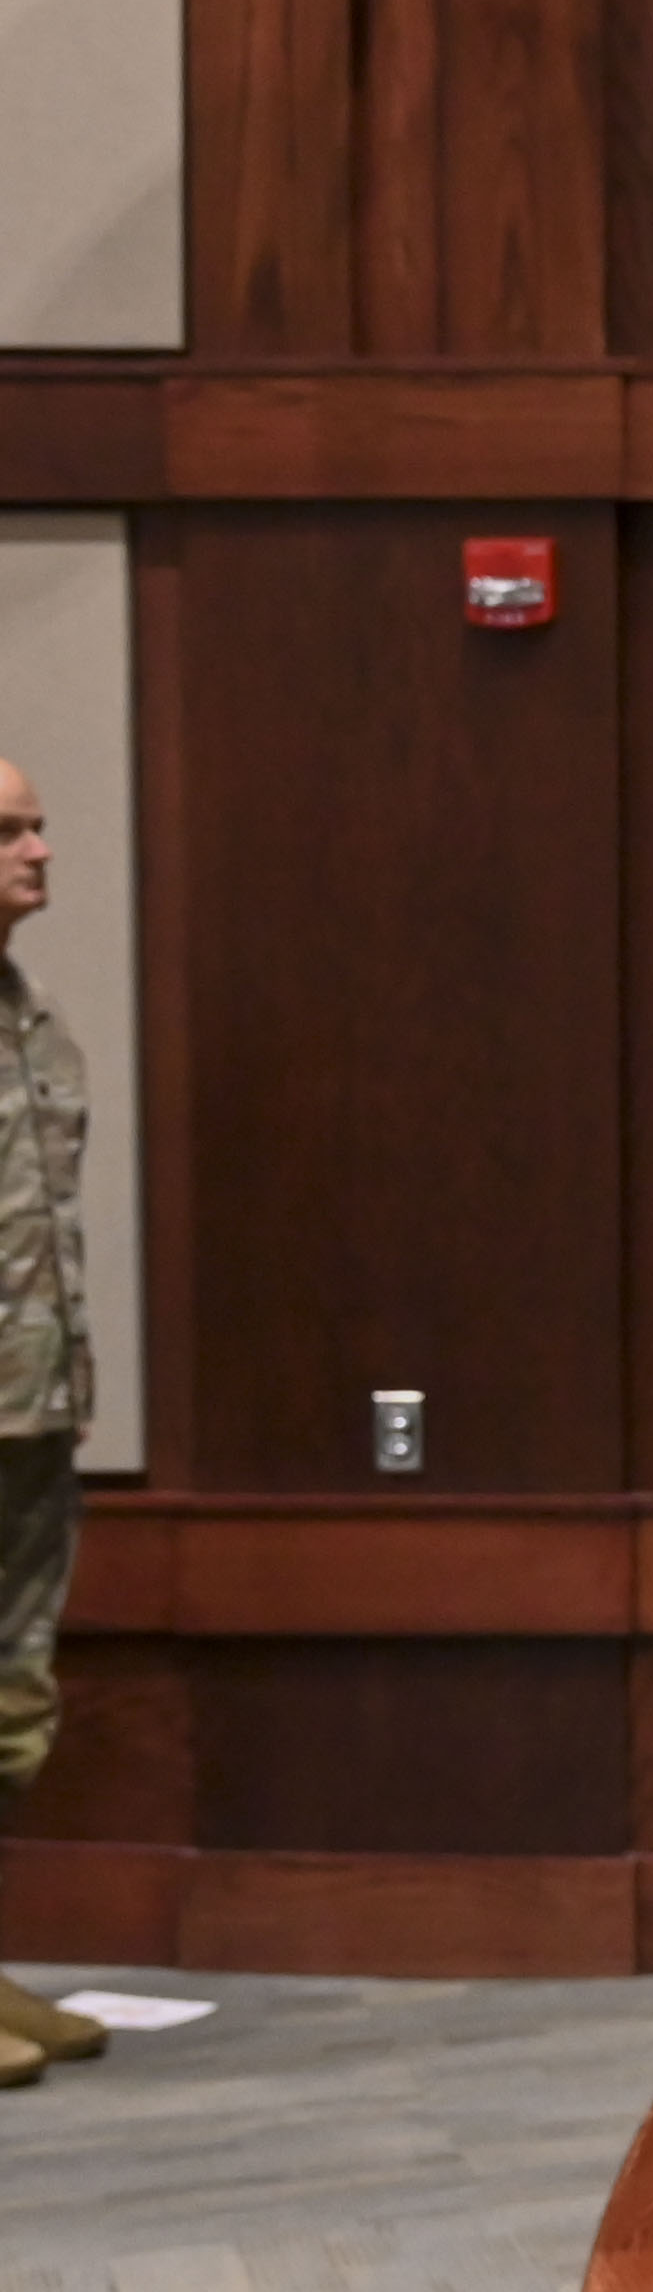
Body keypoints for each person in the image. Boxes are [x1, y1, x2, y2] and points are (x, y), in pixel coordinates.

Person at [0, 759, 108, 2095]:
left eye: (36, 823)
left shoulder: (35, 1024)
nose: (40, 848)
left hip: (30, 1420)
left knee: (11, 1702)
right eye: (8, 829)